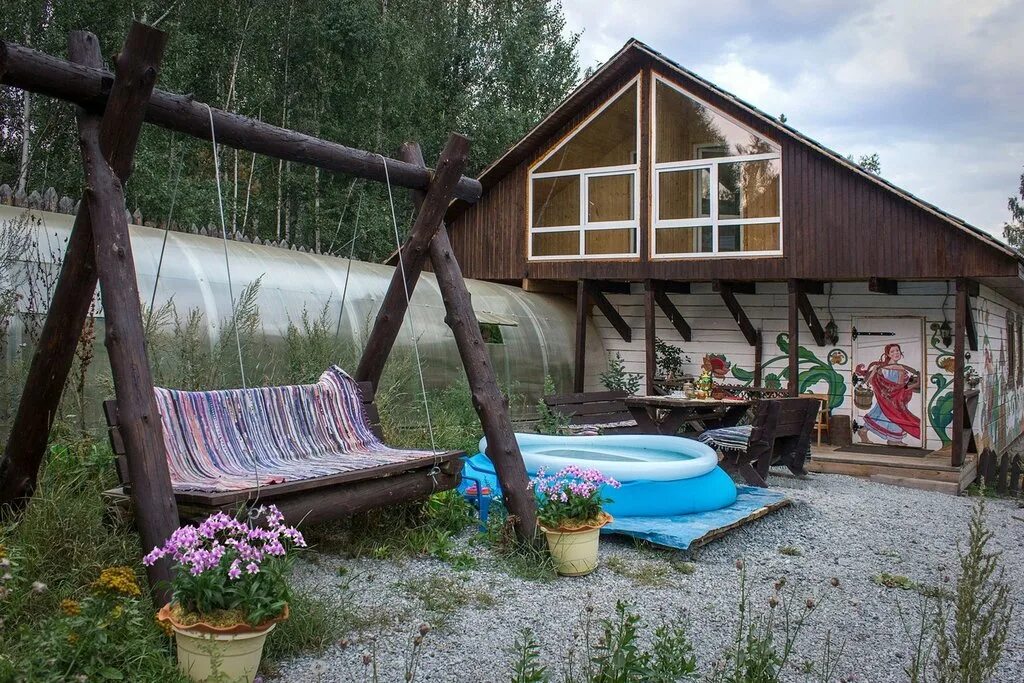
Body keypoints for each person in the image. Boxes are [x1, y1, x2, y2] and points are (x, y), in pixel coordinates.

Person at [854, 343, 921, 446]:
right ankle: (893, 440)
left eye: (897, 350)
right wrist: (916, 384)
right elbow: (900, 387)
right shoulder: (897, 369)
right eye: (892, 351)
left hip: (886, 397)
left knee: (879, 414)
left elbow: (876, 381)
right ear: (888, 354)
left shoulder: (885, 367)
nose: (896, 353)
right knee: (894, 416)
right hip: (893, 399)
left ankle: (864, 431)